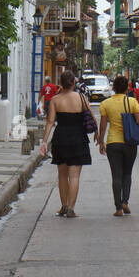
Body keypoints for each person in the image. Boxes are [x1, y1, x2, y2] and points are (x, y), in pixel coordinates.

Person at [39, 71, 92, 217]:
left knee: (62, 175)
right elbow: (91, 118)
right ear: (73, 83)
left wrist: (44, 141)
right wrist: (99, 138)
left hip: (60, 138)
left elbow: (50, 122)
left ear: (61, 83)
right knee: (74, 176)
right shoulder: (81, 98)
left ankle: (63, 206)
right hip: (78, 138)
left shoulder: (55, 100)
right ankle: (71, 208)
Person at [98, 75, 139, 217]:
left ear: (113, 88)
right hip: (129, 142)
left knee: (116, 175)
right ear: (127, 88)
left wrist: (101, 141)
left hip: (113, 143)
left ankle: (118, 208)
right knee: (127, 173)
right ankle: (125, 201)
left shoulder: (105, 104)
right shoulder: (132, 102)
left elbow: (103, 125)